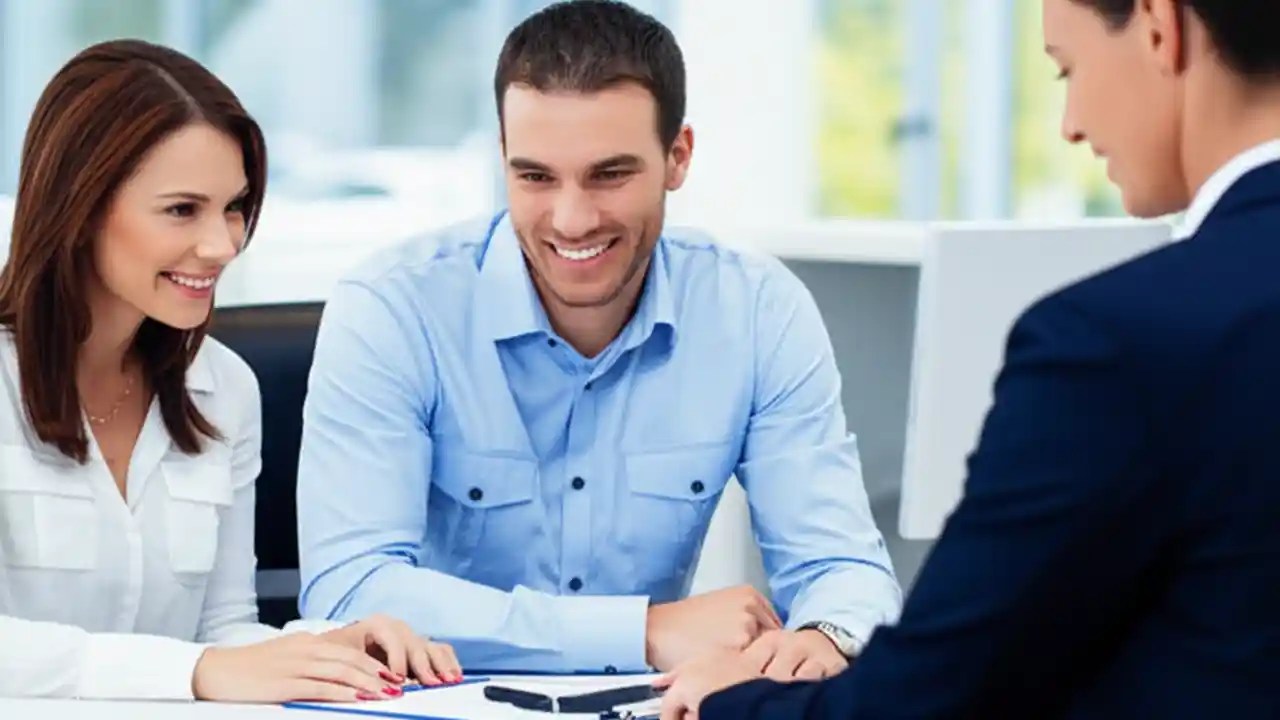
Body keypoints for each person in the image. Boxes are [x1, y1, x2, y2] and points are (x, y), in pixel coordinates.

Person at [659, 0, 1280, 717]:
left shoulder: (1115, 341)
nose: (1070, 124)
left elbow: (926, 702)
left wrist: (732, 701)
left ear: (1158, 26)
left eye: (1066, 70)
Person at [296, 0, 900, 677]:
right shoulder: (393, 308)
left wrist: (823, 636)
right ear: (502, 158)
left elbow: (841, 566)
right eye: (535, 176)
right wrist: (640, 632)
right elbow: (348, 591)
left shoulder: (757, 310)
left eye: (610, 174)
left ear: (679, 156)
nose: (572, 218)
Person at [0, 39, 460, 703]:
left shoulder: (224, 390)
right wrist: (193, 672)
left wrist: (327, 646)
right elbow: (202, 664)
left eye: (235, 206)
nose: (223, 244)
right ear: (82, 207)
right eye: (182, 209)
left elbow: (222, 630)